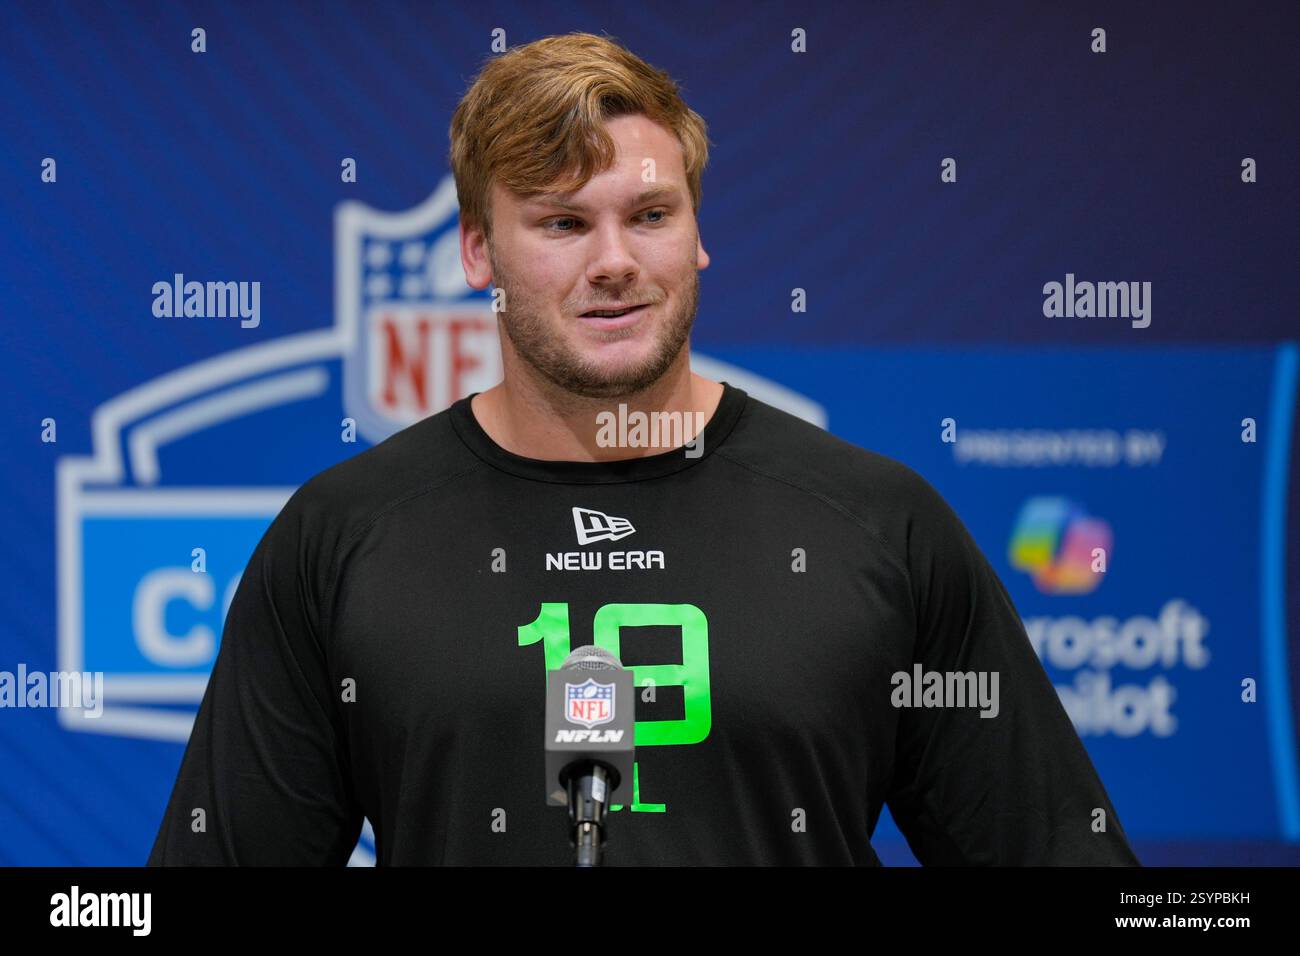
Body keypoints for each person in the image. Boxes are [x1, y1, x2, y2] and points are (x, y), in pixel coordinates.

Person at [147, 31, 1139, 866]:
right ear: (477, 250)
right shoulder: (342, 536)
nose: (614, 261)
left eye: (650, 215)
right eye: (563, 222)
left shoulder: (879, 523)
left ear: (697, 234)